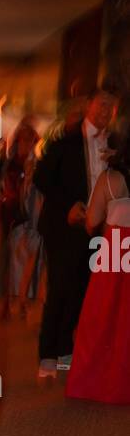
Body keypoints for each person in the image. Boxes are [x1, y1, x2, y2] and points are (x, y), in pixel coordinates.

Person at [34, 87, 118, 379]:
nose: (106, 111)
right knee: (59, 289)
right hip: (64, 226)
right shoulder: (65, 142)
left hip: (99, 228)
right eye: (102, 104)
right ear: (89, 105)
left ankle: (67, 353)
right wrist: (68, 206)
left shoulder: (116, 144)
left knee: (84, 292)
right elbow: (42, 178)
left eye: (111, 106)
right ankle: (47, 356)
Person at [65, 127, 130, 405]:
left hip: (116, 250)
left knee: (101, 317)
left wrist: (76, 215)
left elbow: (92, 221)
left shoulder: (110, 179)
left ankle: (96, 382)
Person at [0, 117, 39, 318]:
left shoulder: (34, 165)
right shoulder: (10, 165)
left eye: (30, 141)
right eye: (23, 140)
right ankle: (10, 301)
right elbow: (2, 188)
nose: (26, 145)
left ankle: (21, 300)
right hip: (10, 216)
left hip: (28, 218)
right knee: (9, 261)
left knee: (25, 261)